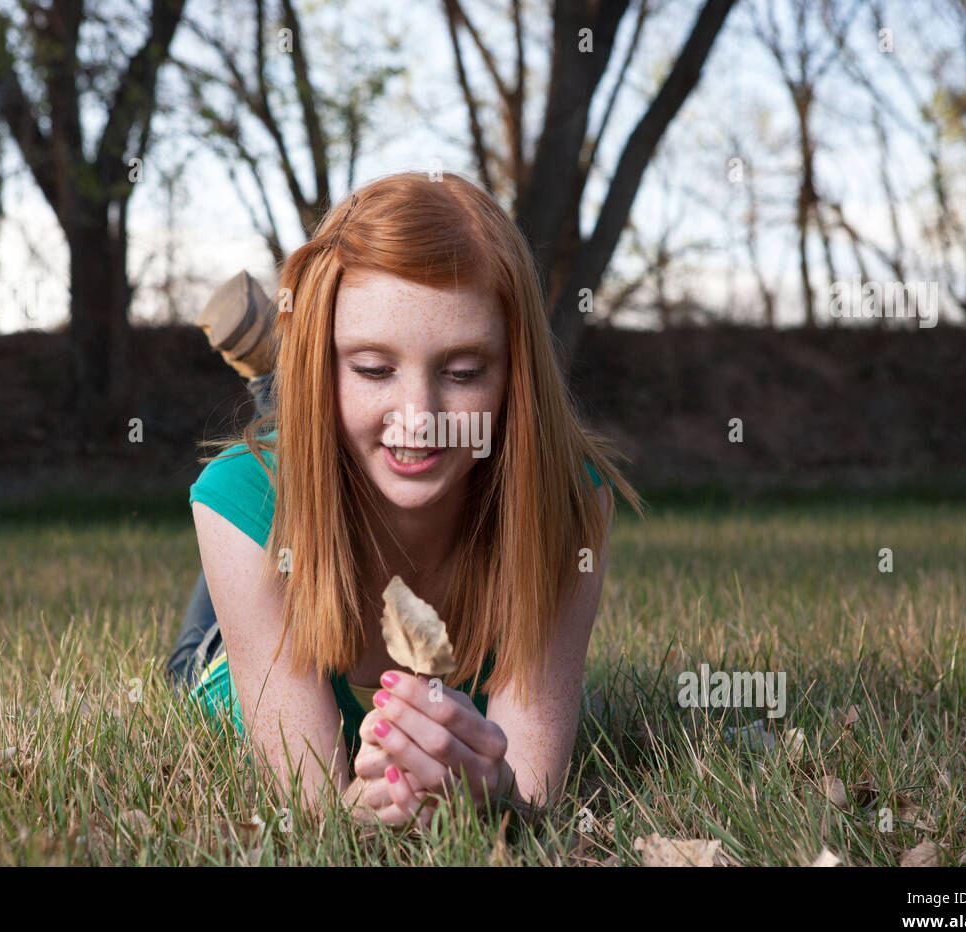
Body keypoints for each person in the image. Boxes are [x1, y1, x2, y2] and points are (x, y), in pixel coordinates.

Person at [167, 171, 642, 833]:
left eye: (464, 372)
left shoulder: (566, 500)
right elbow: (316, 810)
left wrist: (495, 790)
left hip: (341, 448)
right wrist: (361, 813)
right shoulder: (237, 498)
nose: (421, 419)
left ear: (516, 374)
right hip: (231, 628)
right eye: (372, 367)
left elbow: (534, 793)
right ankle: (286, 386)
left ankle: (301, 380)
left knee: (348, 437)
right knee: (264, 492)